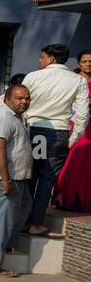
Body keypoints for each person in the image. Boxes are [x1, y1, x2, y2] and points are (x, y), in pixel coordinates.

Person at [21, 44, 88, 236]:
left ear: (50, 58)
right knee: (47, 180)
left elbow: (21, 105)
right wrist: (72, 139)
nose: (40, 61)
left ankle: (24, 221)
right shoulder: (78, 81)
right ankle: (36, 223)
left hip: (35, 131)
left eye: (42, 57)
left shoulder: (32, 77)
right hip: (59, 133)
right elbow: (83, 115)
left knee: (31, 177)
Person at [0, 84, 34, 278]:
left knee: (24, 207)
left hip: (17, 177)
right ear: (7, 99)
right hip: (3, 177)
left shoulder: (16, 117)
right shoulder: (4, 117)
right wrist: (5, 179)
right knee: (1, 220)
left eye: (27, 98)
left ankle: (5, 246)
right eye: (19, 98)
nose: (24, 102)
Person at [54, 51, 91, 212]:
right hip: (73, 125)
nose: (88, 64)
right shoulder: (73, 81)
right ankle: (68, 197)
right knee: (72, 162)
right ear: (78, 63)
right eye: (85, 61)